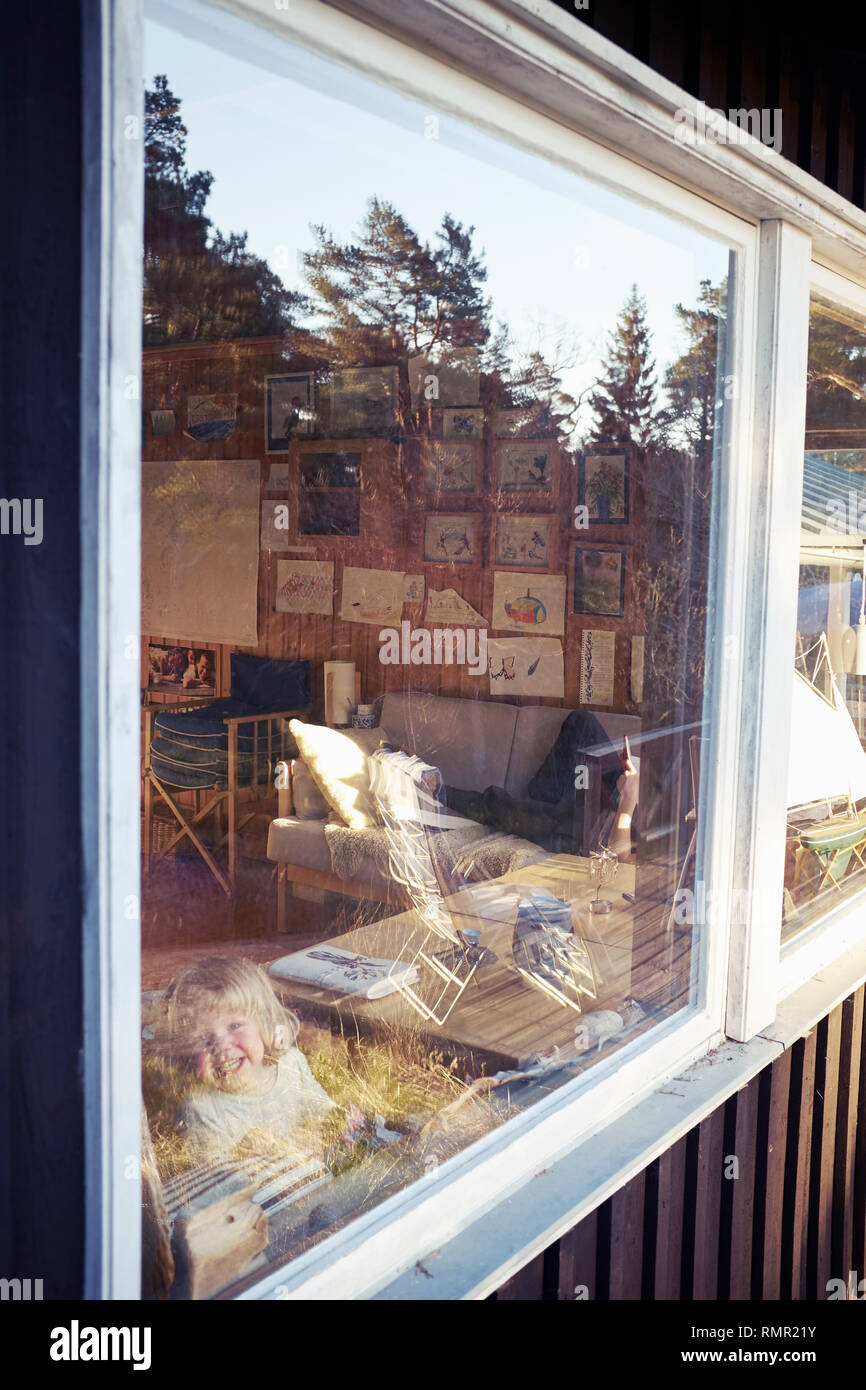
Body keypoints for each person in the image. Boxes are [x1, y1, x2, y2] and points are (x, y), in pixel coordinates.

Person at [163, 957, 361, 1160]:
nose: (221, 1046)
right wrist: (241, 1155)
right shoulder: (201, 1109)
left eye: (234, 1026)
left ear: (265, 1023)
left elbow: (319, 1106)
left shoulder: (291, 1064)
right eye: (203, 1037)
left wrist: (340, 1116)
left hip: (305, 1169)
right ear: (186, 1052)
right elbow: (213, 1172)